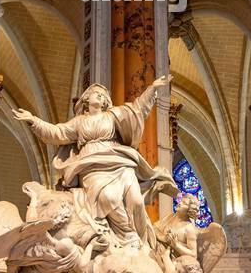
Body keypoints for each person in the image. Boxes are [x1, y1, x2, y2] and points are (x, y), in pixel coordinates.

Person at [12, 78, 176, 248]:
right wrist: (33, 120)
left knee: (136, 200)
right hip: (91, 167)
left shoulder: (113, 116)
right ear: (86, 100)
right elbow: (57, 132)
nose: (99, 96)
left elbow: (137, 109)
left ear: (105, 102)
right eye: (95, 94)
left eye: (101, 95)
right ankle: (127, 237)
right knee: (108, 197)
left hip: (119, 162)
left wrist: (152, 89)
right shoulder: (79, 122)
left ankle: (142, 242)